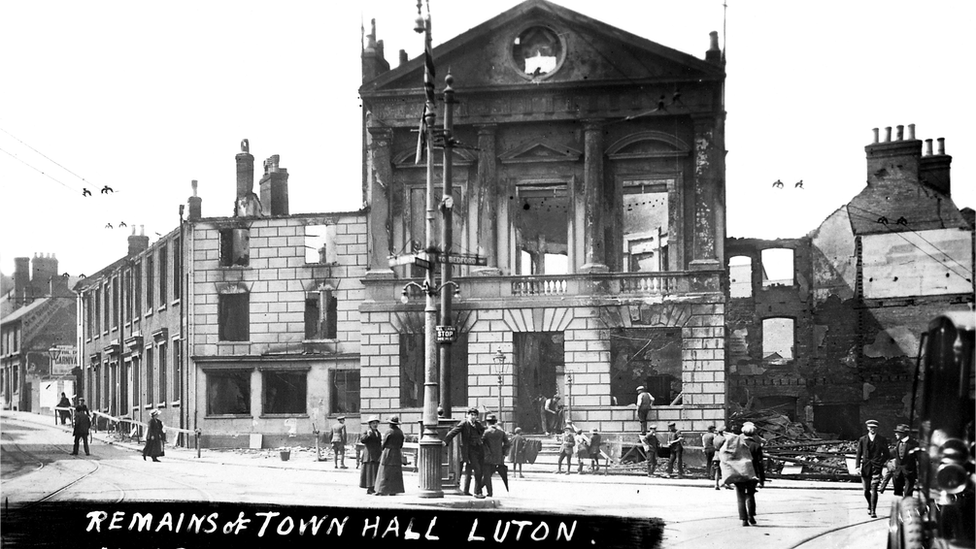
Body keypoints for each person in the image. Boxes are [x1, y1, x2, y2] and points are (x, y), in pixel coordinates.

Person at [443, 407, 487, 498]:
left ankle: (467, 491)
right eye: (472, 415)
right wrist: (446, 441)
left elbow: (483, 431)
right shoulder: (464, 424)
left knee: (471, 470)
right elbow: (454, 431)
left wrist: (480, 439)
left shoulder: (478, 425)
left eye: (475, 415)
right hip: (469, 450)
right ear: (467, 415)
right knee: (478, 470)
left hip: (478, 450)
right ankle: (478, 492)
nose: (473, 417)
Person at [855, 419, 890, 518]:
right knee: (866, 490)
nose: (872, 429)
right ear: (867, 428)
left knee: (874, 488)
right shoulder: (862, 439)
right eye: (870, 427)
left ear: (877, 428)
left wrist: (880, 461)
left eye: (874, 428)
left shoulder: (882, 439)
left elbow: (886, 454)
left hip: (876, 468)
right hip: (865, 467)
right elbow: (859, 454)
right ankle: (870, 505)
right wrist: (857, 466)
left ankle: (873, 510)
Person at [733, 422, 766, 527]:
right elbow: (760, 463)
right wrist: (762, 479)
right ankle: (751, 516)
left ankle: (744, 519)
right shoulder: (756, 446)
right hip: (752, 473)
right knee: (750, 495)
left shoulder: (737, 445)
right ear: (753, 433)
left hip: (739, 472)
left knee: (740, 497)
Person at [373, 417, 405, 496]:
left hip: (388, 452)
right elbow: (401, 444)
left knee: (384, 471)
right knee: (395, 471)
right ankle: (393, 491)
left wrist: (382, 449)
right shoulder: (400, 432)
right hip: (396, 452)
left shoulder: (389, 431)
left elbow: (384, 443)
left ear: (390, 424)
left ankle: (381, 490)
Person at [481, 414, 511, 498]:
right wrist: (503, 452)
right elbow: (507, 443)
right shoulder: (501, 432)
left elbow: (481, 443)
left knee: (487, 475)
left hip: (487, 457)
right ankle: (479, 488)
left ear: (487, 423)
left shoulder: (486, 432)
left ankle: (488, 492)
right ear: (495, 422)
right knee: (489, 473)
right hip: (499, 458)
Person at [889, 423, 919, 497]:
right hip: (898, 472)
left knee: (908, 493)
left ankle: (907, 507)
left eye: (897, 432)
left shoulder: (914, 444)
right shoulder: (897, 443)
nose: (895, 434)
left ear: (902, 434)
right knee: (897, 493)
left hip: (909, 472)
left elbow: (919, 459)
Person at [359, 416, 382, 495]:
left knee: (375, 471)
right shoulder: (367, 431)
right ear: (370, 424)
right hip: (369, 455)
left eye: (376, 423)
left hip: (376, 455)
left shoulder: (377, 432)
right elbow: (362, 439)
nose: (375, 425)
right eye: (373, 423)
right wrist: (367, 435)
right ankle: (369, 488)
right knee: (369, 472)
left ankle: (374, 487)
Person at [712, 425, 730, 490]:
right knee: (725, 470)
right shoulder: (724, 439)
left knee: (717, 470)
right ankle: (726, 484)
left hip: (716, 455)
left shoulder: (715, 438)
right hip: (723, 455)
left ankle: (716, 484)